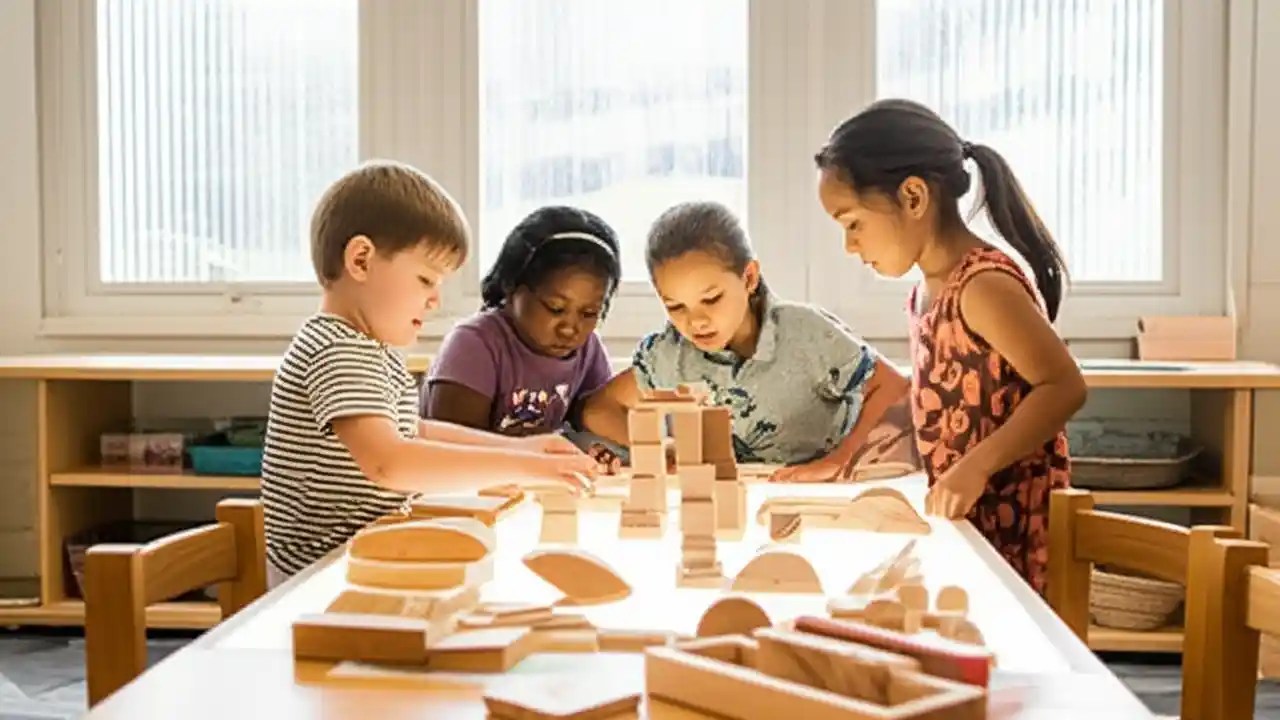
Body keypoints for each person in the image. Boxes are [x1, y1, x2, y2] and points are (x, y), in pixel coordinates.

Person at [261, 161, 595, 585]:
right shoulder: (335, 350)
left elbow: (412, 432)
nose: (435, 300)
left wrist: (527, 451)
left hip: (356, 562)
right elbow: (390, 463)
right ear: (360, 260)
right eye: (425, 279)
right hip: (315, 582)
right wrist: (522, 467)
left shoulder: (368, 349)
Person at [813, 98, 1088, 594]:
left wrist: (975, 468)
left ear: (914, 197)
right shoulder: (926, 291)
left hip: (1013, 531)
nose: (850, 246)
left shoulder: (981, 286)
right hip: (968, 524)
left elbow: (1064, 386)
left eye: (853, 223)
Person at [577, 200, 913, 481]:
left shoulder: (806, 333)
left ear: (748, 278)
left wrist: (840, 461)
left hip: (808, 493)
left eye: (711, 299)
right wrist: (654, 447)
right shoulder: (668, 354)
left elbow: (893, 387)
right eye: (675, 306)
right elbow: (597, 409)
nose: (696, 321)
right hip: (727, 499)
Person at [421, 206, 622, 470]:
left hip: (530, 488)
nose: (570, 328)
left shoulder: (588, 349)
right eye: (555, 308)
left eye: (589, 312)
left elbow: (595, 426)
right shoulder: (473, 345)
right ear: (511, 285)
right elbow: (452, 452)